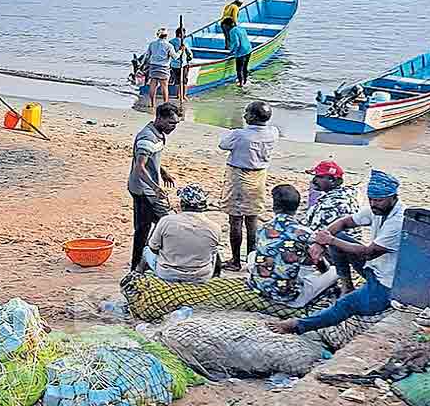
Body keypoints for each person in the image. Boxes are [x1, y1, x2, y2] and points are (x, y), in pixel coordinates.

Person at [272, 170, 404, 334]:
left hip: (386, 283)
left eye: (379, 200)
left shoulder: (397, 221)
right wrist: (322, 242)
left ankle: (297, 325)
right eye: (371, 200)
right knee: (339, 237)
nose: (373, 204)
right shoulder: (377, 209)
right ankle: (347, 286)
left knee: (345, 305)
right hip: (374, 268)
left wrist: (330, 241)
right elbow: (344, 222)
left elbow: (368, 252)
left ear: (393, 197)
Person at [250, 184, 339, 308]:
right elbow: (321, 266)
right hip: (291, 299)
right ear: (296, 207)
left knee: (253, 256)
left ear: (274, 206)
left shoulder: (262, 228)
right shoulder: (305, 233)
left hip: (260, 289)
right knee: (334, 271)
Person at [218, 101, 280, 272]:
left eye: (247, 113)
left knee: (236, 219)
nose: (244, 115)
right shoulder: (273, 133)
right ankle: (251, 259)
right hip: (259, 177)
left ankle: (236, 260)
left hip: (239, 177)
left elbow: (223, 144)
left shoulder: (240, 134)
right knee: (252, 219)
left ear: (252, 117)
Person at [128, 102, 181, 270]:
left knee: (157, 224)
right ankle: (137, 264)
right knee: (149, 227)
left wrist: (162, 172)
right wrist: (155, 187)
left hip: (148, 188)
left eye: (176, 124)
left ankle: (145, 259)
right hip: (144, 190)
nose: (173, 127)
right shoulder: (147, 138)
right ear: (159, 118)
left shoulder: (158, 134)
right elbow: (140, 167)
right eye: (171, 123)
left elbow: (151, 159)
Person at [141, 186, 220, 283]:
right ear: (204, 205)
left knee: (146, 250)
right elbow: (211, 253)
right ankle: (215, 279)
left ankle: (138, 278)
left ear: (182, 204)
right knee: (215, 252)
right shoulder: (214, 227)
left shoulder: (166, 221)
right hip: (201, 276)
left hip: (167, 274)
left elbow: (153, 248)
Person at [143, 27, 179, 108]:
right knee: (164, 87)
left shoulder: (152, 44)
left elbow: (147, 56)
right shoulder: (169, 46)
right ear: (166, 36)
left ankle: (152, 104)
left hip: (153, 66)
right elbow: (175, 57)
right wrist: (180, 51)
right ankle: (165, 104)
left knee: (153, 85)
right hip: (164, 67)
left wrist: (144, 65)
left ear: (157, 35)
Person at [222, 17, 252, 87]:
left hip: (241, 52)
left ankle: (241, 84)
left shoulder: (232, 31)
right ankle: (245, 81)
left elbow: (236, 44)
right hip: (248, 49)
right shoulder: (241, 29)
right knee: (245, 67)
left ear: (227, 25)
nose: (225, 28)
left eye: (225, 26)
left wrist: (231, 51)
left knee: (239, 69)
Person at [168, 26, 192, 105]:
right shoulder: (184, 42)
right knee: (184, 80)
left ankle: (178, 95)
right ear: (181, 34)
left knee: (177, 81)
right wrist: (189, 58)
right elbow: (189, 53)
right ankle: (183, 95)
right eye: (184, 33)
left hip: (174, 65)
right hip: (182, 64)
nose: (185, 35)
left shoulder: (170, 42)